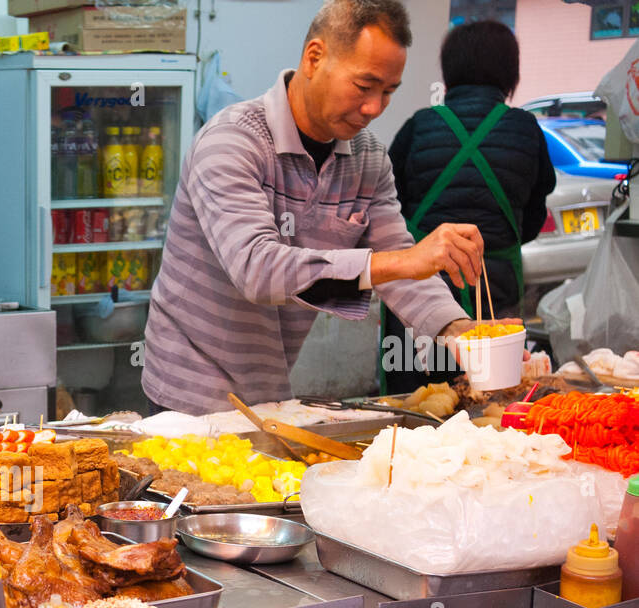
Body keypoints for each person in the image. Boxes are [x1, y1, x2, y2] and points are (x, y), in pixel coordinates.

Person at [142, 0, 484, 416]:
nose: (375, 107)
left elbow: (401, 264)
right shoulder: (231, 141)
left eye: (388, 92)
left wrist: (462, 331)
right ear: (314, 57)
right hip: (189, 388)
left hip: (270, 385)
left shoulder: (368, 159)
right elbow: (257, 269)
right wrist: (403, 262)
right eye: (364, 86)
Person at [381, 19, 554, 393]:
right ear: (510, 71)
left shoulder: (421, 125)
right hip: (496, 286)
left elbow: (388, 204)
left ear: (450, 69)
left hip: (420, 287)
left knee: (414, 401)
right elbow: (534, 216)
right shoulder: (525, 129)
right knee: (491, 398)